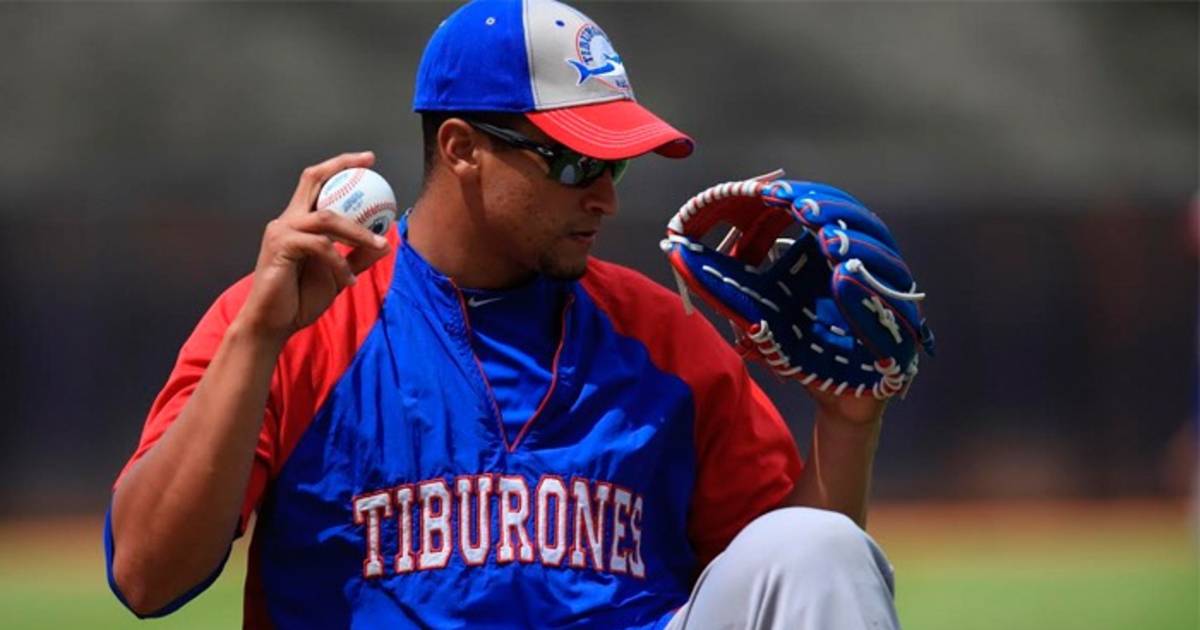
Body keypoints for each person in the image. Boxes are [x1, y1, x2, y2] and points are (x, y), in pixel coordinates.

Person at [105, 0, 901, 627]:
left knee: (820, 546)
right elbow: (147, 577)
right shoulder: (295, 322)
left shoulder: (662, 340)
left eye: (614, 163)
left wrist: (845, 425)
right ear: (460, 148)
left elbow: (795, 590)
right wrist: (259, 338)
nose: (606, 195)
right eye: (575, 160)